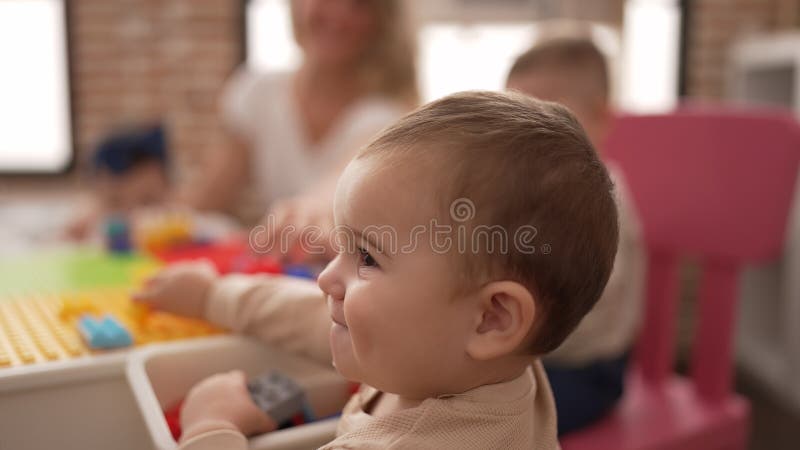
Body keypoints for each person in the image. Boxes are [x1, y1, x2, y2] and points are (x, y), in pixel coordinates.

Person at [135, 91, 620, 449]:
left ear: (493, 317)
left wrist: (210, 426)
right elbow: (313, 317)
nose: (327, 278)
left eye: (367, 257)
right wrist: (212, 297)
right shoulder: (481, 365)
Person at [179, 0, 418, 258]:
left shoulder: (386, 113)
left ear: (380, 22)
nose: (338, 13)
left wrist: (312, 208)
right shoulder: (258, 92)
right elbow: (208, 196)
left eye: (358, 4)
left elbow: (349, 172)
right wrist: (158, 218)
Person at [505, 27, 646, 435]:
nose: (530, 139)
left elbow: (584, 307)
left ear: (600, 118)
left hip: (587, 370)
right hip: (532, 358)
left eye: (548, 118)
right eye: (516, 119)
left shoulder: (603, 197)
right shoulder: (528, 194)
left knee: (484, 421)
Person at [66, 125, 170, 240]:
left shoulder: (184, 225)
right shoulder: (84, 228)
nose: (132, 217)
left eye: (148, 202)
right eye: (115, 202)